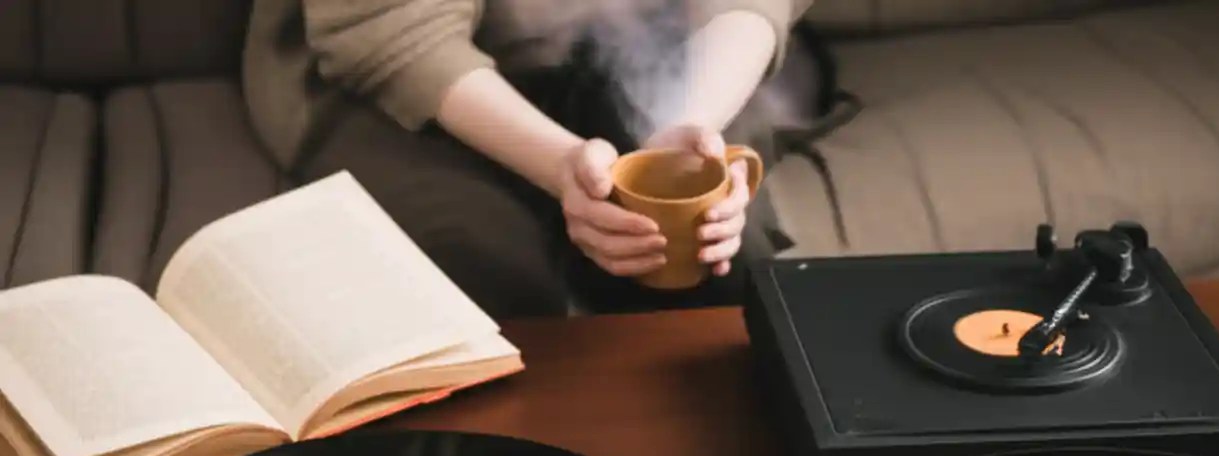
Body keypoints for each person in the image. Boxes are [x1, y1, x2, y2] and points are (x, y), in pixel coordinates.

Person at [242, 0, 814, 318]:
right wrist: (562, 165)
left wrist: (692, 123)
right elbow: (389, 30)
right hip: (400, 82)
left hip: (661, 43)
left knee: (722, 267)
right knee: (488, 277)